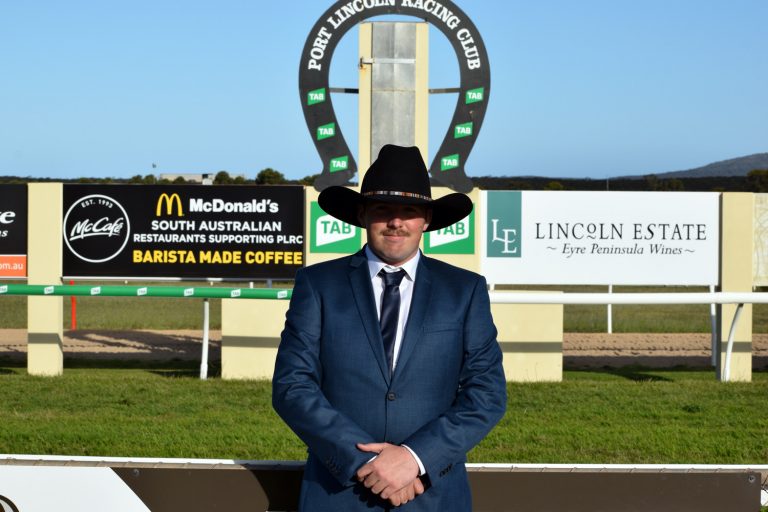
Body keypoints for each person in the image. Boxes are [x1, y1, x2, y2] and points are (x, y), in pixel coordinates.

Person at [272, 144, 506, 511]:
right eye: (383, 209)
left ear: (426, 219)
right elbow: (292, 386)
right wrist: (366, 464)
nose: (396, 222)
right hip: (339, 492)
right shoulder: (318, 285)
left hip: (431, 493)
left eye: (409, 211)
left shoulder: (464, 290)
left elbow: (486, 395)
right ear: (363, 214)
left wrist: (414, 459)